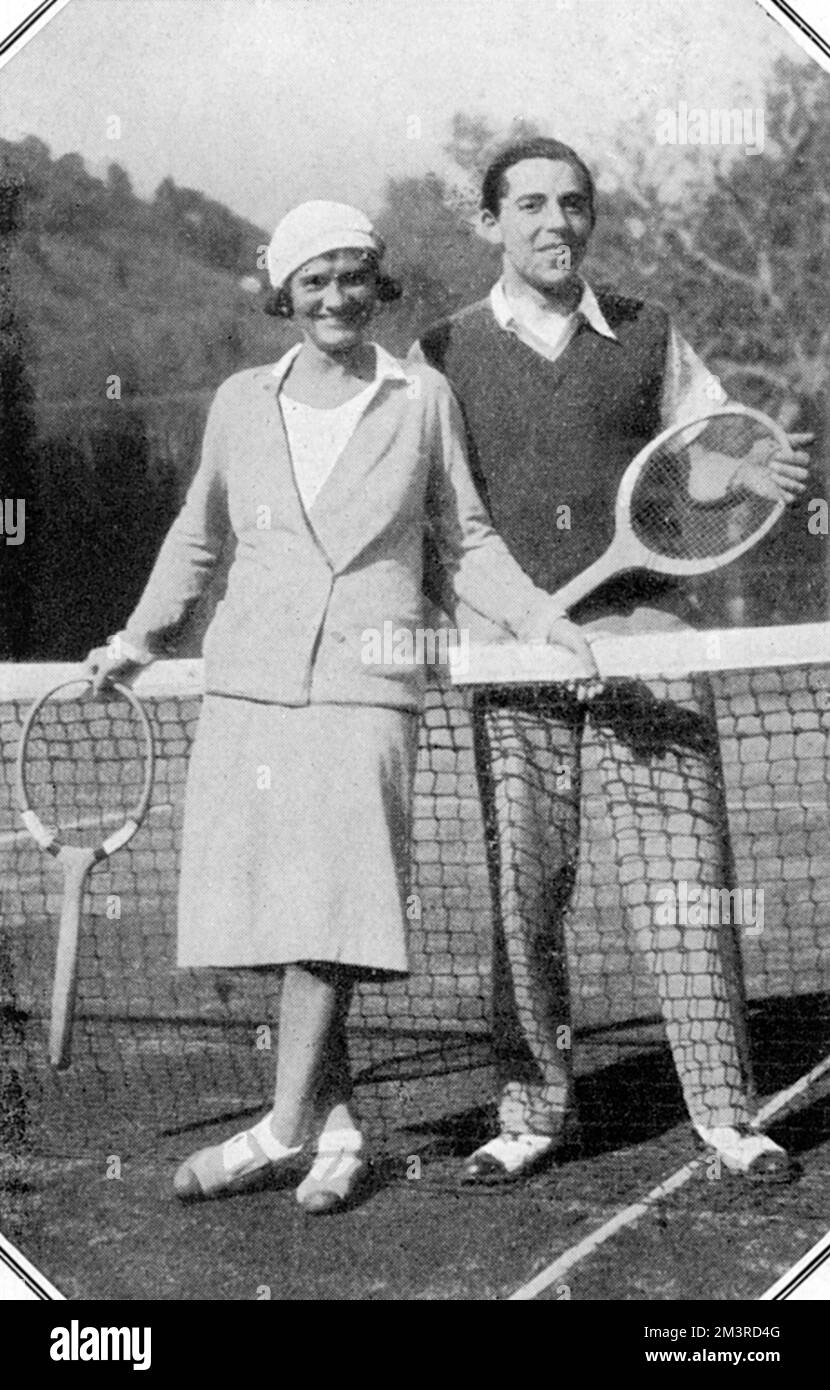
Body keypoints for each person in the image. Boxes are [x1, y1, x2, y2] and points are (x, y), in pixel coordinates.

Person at [86, 200, 590, 1214]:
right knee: (280, 912)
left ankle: (277, 1129)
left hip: (366, 686)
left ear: (375, 286)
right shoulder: (237, 401)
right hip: (250, 685)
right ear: (284, 294)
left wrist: (546, 622)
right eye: (312, 280)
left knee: (333, 912)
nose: (333, 297)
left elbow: (465, 542)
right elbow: (197, 537)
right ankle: (341, 1126)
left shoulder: (421, 396)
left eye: (351, 276)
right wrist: (137, 636)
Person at [413, 138, 811, 1183]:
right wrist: (521, 623)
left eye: (574, 205)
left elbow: (705, 450)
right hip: (511, 652)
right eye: (532, 205)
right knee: (521, 897)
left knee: (686, 885)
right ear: (491, 222)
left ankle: (727, 1116)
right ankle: (529, 1112)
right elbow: (441, 519)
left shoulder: (646, 332)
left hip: (645, 638)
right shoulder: (439, 353)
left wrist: (746, 470)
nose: (557, 223)